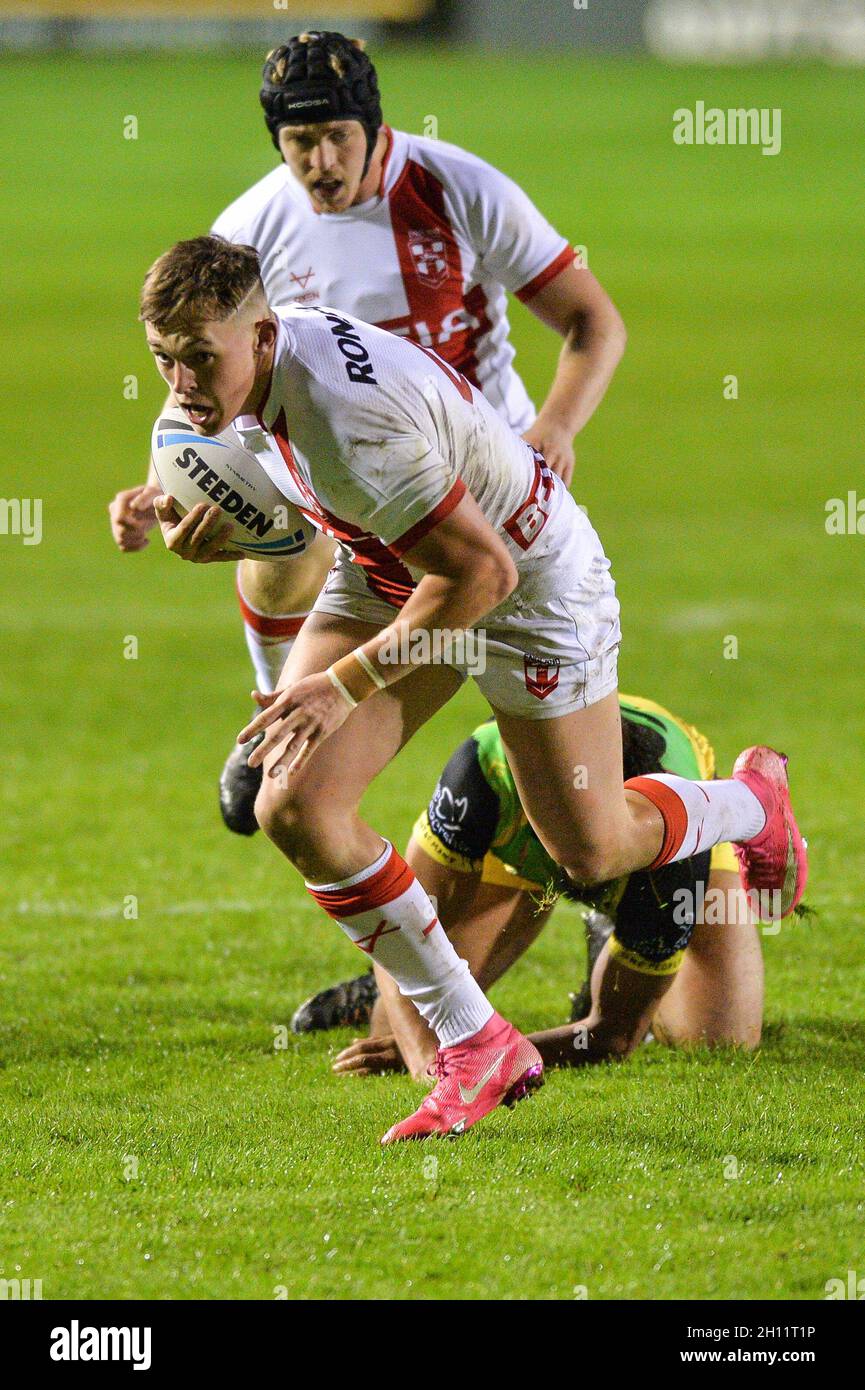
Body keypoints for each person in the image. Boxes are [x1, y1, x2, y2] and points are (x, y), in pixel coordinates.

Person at [139, 235, 807, 1144]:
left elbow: (480, 578)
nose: (179, 380)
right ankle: (476, 1041)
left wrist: (342, 683)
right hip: (399, 571)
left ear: (260, 336)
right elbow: (310, 506)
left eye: (197, 357)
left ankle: (745, 804)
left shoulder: (343, 418)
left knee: (593, 850)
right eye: (163, 358)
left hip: (529, 587)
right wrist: (200, 519)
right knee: (292, 798)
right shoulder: (249, 373)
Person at [109, 29, 627, 833]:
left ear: (376, 129)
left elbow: (593, 321)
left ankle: (607, 848)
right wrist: (167, 484)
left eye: (336, 137)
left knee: (551, 730)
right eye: (298, 142)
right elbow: (201, 367)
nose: (319, 161)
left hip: (489, 479)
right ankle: (275, 714)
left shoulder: (459, 188)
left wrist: (556, 426)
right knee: (276, 551)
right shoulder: (251, 230)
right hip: (354, 486)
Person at [293, 696, 764, 1081]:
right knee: (394, 1021)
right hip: (524, 845)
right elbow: (396, 922)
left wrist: (481, 1058)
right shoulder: (483, 772)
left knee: (715, 1037)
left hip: (652, 840)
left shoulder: (677, 849)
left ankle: (617, 937)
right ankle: (378, 985)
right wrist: (429, 1064)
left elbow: (614, 1035)